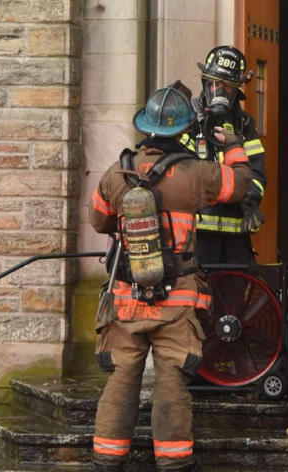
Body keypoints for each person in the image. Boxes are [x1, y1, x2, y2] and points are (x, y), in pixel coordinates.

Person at [89, 85, 252, 472]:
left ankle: (108, 457)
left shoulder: (117, 172)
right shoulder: (195, 174)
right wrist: (232, 144)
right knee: (172, 378)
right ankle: (174, 460)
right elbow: (241, 184)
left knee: (123, 375)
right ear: (183, 130)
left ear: (145, 127)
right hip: (176, 299)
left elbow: (98, 221)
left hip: (127, 298)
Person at [181, 45, 267, 265]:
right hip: (197, 236)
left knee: (240, 285)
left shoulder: (244, 125)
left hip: (236, 235)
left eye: (227, 86)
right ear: (205, 83)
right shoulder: (188, 122)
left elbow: (257, 173)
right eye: (215, 83)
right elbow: (180, 171)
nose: (220, 91)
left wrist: (251, 198)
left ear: (236, 90)